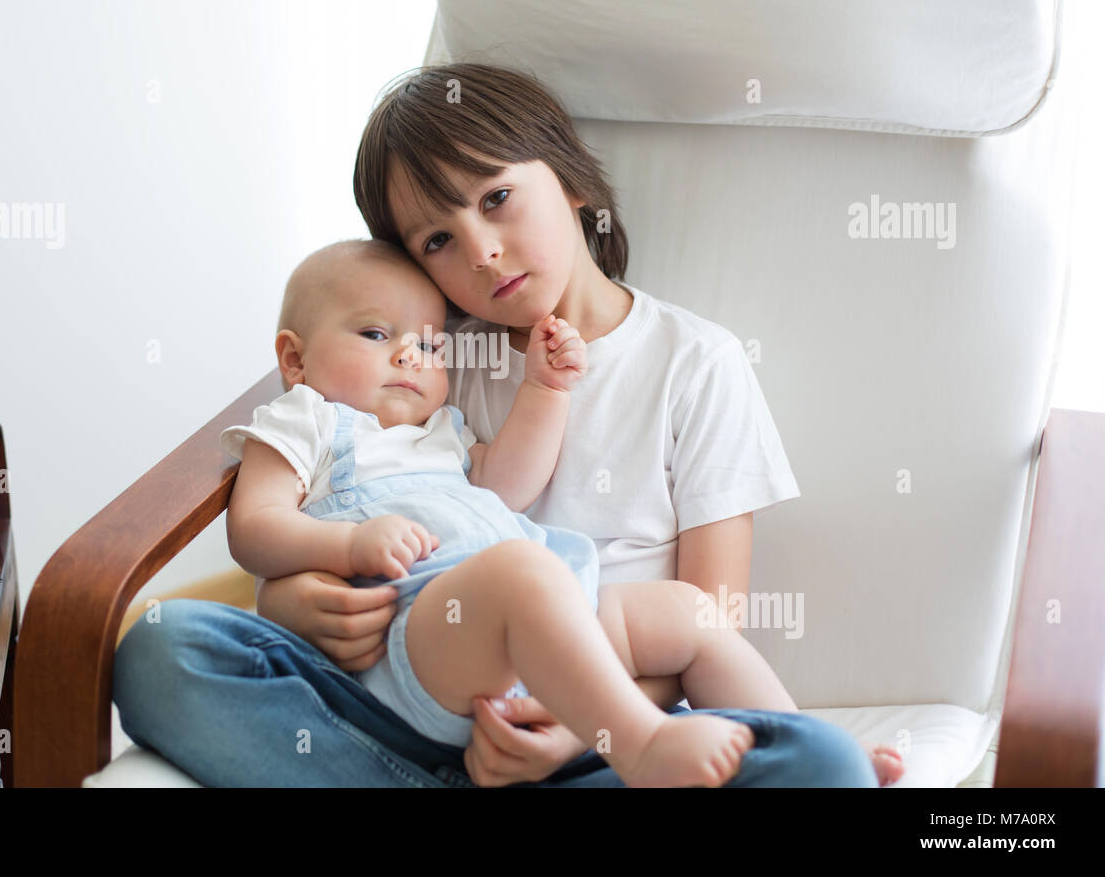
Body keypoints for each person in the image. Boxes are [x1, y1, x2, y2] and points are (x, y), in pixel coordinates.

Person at [114, 61, 903, 787]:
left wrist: (577, 727)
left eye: (496, 199)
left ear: (571, 181)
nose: (484, 253)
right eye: (438, 241)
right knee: (161, 649)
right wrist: (291, 599)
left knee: (824, 762)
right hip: (417, 698)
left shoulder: (696, 363)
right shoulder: (424, 366)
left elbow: (711, 619)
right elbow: (317, 496)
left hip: (610, 729)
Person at [220, 238, 814, 786]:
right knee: (520, 571)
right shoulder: (306, 420)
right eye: (376, 335)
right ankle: (644, 743)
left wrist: (547, 391)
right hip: (425, 642)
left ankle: (801, 745)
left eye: (429, 344)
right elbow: (254, 528)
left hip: (549, 635)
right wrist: (346, 549)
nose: (410, 355)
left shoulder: (441, 430)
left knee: (689, 615)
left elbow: (509, 484)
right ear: (295, 361)